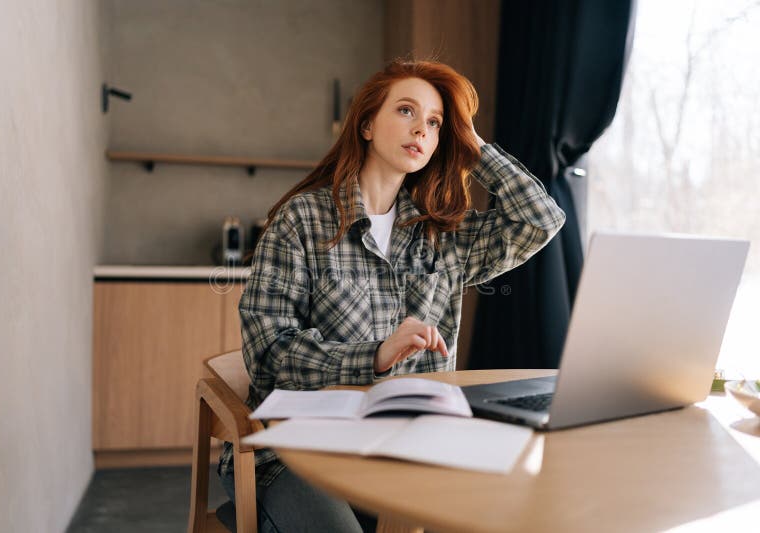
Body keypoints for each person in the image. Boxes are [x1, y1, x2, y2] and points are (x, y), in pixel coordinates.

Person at [217, 58, 566, 532]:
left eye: (435, 122)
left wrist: (473, 144)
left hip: (411, 448)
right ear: (365, 124)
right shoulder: (302, 221)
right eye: (406, 111)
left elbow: (540, 220)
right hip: (301, 453)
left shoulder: (442, 232)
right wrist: (375, 356)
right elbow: (268, 354)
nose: (421, 129)